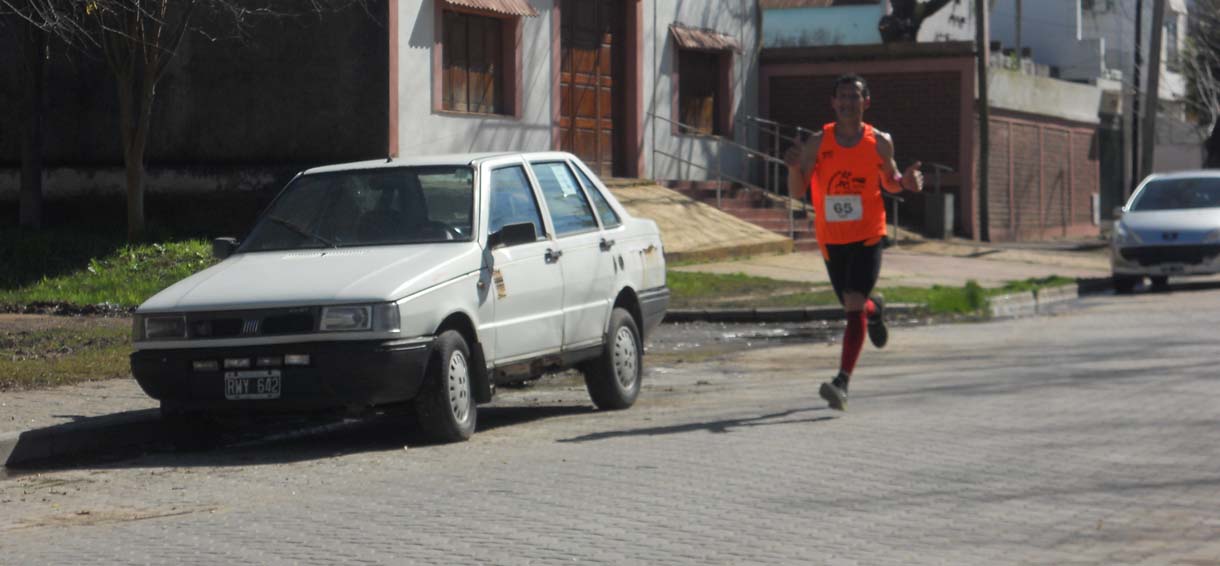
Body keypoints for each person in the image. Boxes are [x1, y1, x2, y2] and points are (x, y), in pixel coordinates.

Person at [783, 73, 923, 411]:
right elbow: (798, 192)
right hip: (832, 237)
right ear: (833, 103)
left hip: (868, 233)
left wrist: (906, 182)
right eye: (842, 97)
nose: (848, 102)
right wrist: (792, 168)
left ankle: (842, 382)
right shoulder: (818, 142)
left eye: (854, 96)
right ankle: (875, 312)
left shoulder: (879, 142)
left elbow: (889, 182)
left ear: (866, 102)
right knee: (855, 305)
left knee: (852, 302)